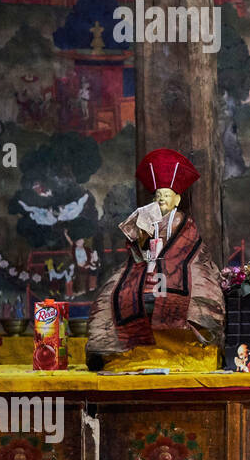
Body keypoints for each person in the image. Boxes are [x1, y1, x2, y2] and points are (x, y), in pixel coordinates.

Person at [86, 149, 224, 365]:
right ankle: (113, 355)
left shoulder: (182, 220)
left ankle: (191, 354)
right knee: (114, 292)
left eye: (166, 195)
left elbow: (188, 245)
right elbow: (136, 247)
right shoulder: (146, 216)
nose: (161, 199)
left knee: (201, 294)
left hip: (181, 265)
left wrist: (168, 259)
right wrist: (141, 231)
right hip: (145, 264)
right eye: (158, 195)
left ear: (176, 199)